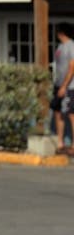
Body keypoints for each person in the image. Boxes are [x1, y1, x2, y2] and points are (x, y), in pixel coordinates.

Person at [53, 22, 74, 155]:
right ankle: (60, 143)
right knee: (58, 112)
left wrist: (64, 86)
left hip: (70, 87)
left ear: (61, 32)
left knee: (72, 114)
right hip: (58, 85)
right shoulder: (60, 46)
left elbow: (72, 67)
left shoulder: (72, 46)